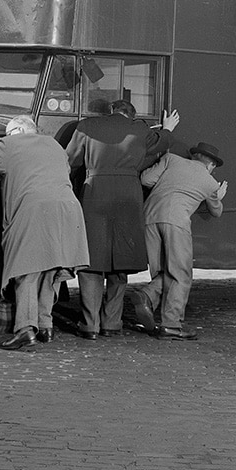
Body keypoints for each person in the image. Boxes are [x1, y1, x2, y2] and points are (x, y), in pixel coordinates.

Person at [0, 115, 91, 350]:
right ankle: (45, 326)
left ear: (20, 130)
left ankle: (25, 330)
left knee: (26, 271)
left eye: (8, 131)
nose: (6, 136)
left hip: (34, 209)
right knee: (49, 270)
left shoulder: (12, 144)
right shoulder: (54, 145)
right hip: (68, 210)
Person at [64, 99, 178, 338]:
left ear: (112, 112)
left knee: (92, 261)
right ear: (131, 114)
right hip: (128, 196)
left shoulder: (87, 126)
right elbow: (163, 142)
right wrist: (167, 128)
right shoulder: (140, 129)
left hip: (95, 192)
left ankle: (89, 325)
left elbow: (71, 160)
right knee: (120, 260)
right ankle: (112, 323)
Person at [129, 142, 227, 340]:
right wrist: (219, 194)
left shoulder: (171, 159)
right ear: (211, 166)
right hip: (176, 222)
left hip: (149, 218)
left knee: (162, 271)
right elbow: (216, 211)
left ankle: (148, 299)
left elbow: (146, 179)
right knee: (180, 273)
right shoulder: (209, 182)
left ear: (195, 157)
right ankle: (171, 323)